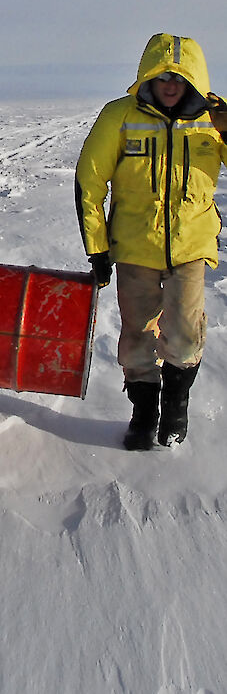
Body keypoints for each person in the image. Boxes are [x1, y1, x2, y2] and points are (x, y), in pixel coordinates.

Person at [75, 33, 227, 450]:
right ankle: (144, 412)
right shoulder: (121, 116)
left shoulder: (214, 119)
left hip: (191, 246)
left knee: (183, 329)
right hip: (136, 248)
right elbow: (90, 180)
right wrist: (98, 247)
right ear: (148, 76)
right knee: (138, 333)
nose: (171, 85)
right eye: (163, 76)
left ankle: (176, 403)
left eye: (180, 77)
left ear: (194, 78)